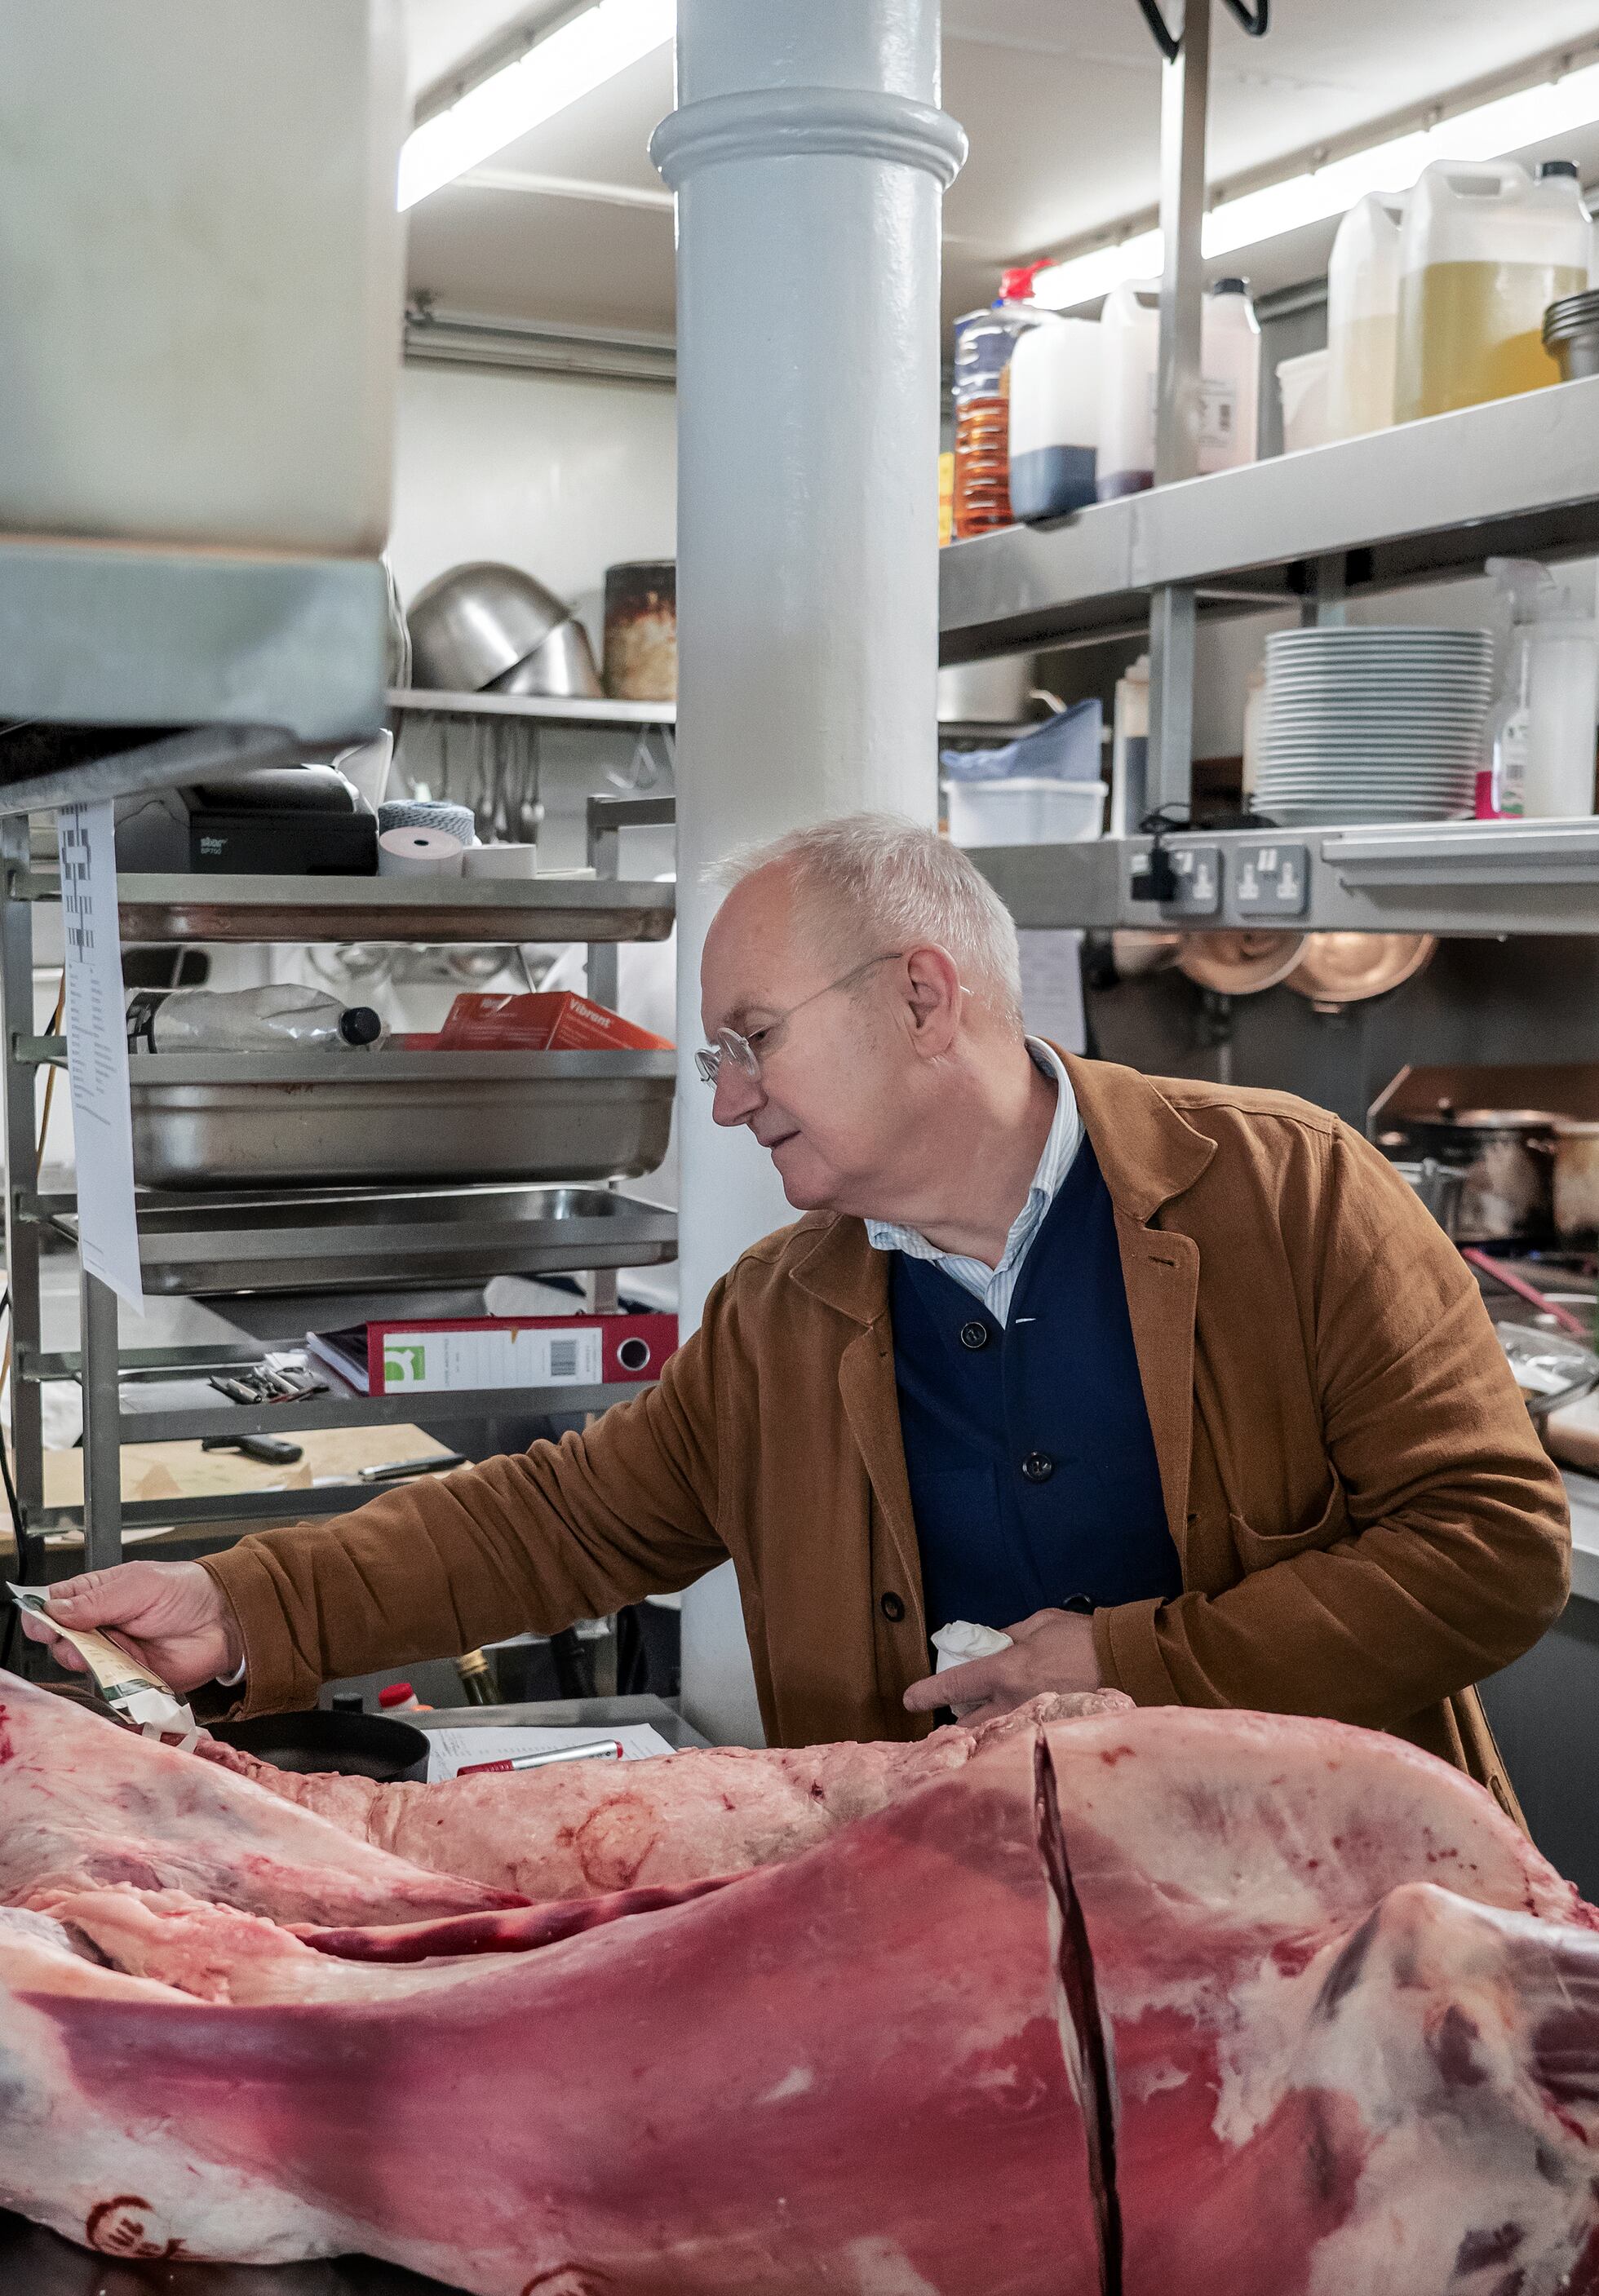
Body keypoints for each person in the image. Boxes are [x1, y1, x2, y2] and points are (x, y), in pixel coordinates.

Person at [20, 815, 1568, 1805]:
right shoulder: (788, 1310)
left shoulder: (1288, 1193)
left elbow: (1491, 1545)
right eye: (719, 1058)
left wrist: (1133, 1664)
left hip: (1336, 1919)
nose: (734, 1099)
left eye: (753, 1040)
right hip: (964, 1932)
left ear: (919, 996)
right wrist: (245, 1610)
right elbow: (553, 1522)